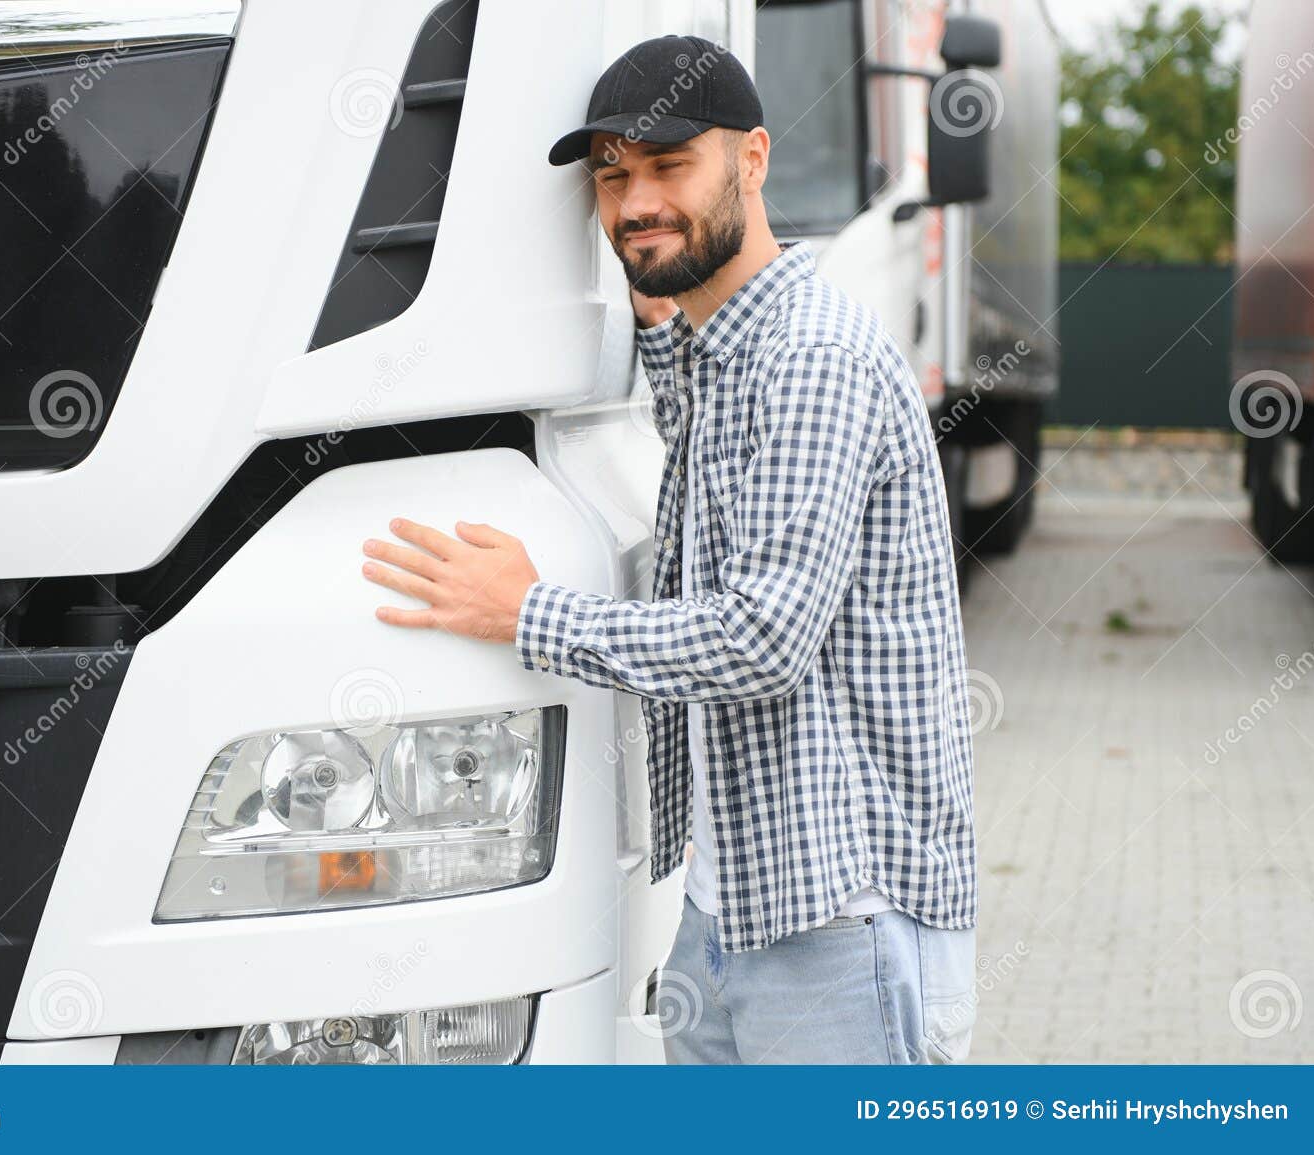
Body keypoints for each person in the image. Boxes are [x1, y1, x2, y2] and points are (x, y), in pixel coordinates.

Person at [360, 34, 977, 1064]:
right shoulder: (722, 349)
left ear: (753, 159)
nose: (634, 200)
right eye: (613, 175)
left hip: (840, 919)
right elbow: (713, 463)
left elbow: (760, 637)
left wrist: (526, 614)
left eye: (667, 165)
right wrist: (658, 331)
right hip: (732, 901)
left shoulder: (810, 360)